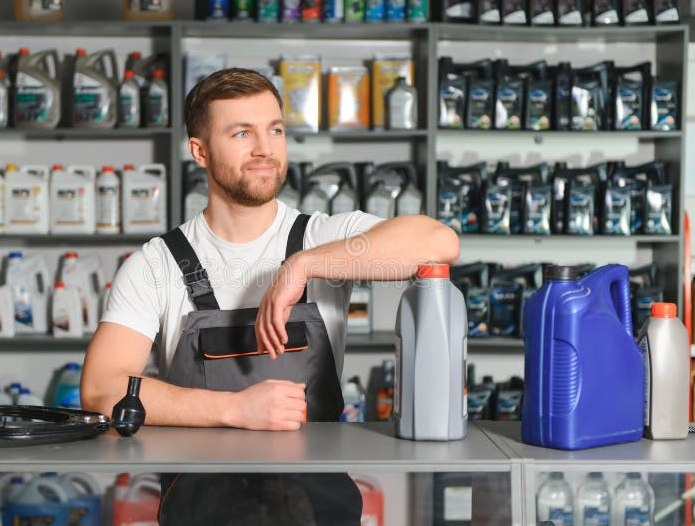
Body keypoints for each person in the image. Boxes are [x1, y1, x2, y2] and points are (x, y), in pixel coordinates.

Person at [81, 67, 459, 524]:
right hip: (200, 510)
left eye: (274, 130)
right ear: (199, 151)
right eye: (242, 132)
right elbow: (102, 390)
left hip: (319, 510)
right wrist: (235, 408)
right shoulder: (156, 264)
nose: (265, 149)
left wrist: (302, 265)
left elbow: (439, 242)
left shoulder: (324, 237)